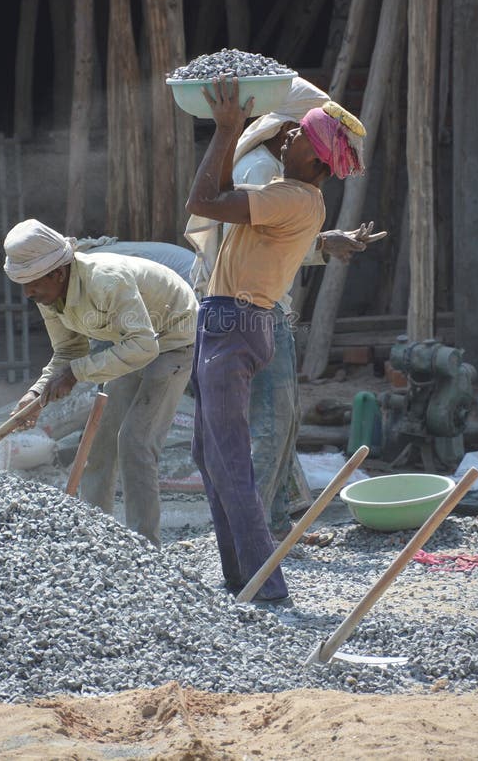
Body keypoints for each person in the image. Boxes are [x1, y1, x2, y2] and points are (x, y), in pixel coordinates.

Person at [185, 75, 367, 604]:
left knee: (231, 457)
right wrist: (232, 132)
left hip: (234, 323)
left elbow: (204, 198)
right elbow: (218, 197)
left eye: (300, 137)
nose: (286, 138)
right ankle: (238, 576)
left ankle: (265, 585)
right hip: (226, 320)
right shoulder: (296, 198)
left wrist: (226, 129)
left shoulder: (291, 196)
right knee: (208, 452)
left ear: (318, 161)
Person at [2, 219, 198, 547]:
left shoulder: (106, 280)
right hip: (127, 338)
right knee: (98, 441)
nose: (27, 293)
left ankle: (144, 549)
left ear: (58, 273)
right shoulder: (50, 297)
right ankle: (96, 540)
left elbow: (145, 347)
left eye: (32, 283)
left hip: (173, 338)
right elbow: (67, 351)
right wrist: (36, 394)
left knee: (136, 442)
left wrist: (77, 373)